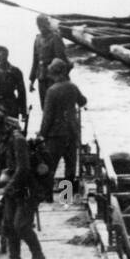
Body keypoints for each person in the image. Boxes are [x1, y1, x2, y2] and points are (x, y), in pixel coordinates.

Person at [0, 108, 44, 259]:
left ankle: (37, 255)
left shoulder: (18, 141)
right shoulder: (2, 140)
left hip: (27, 188)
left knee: (21, 225)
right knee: (9, 225)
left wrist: (7, 187)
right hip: (13, 187)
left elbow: (23, 168)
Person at [38, 59, 87, 192]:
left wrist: (41, 134)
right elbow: (83, 101)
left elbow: (47, 116)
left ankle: (47, 195)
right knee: (70, 165)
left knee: (51, 165)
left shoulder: (51, 91)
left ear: (53, 73)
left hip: (55, 134)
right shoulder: (72, 86)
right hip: (72, 131)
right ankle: (67, 196)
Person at [29, 15, 68, 108]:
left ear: (47, 25)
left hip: (53, 78)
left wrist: (63, 79)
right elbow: (35, 61)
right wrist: (32, 80)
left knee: (56, 105)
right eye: (39, 25)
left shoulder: (55, 38)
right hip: (41, 78)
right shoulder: (37, 39)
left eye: (43, 24)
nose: (41, 27)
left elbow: (61, 59)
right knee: (45, 105)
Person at [0, 45, 27, 122]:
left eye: (1, 54)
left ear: (6, 55)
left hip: (10, 105)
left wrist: (23, 112)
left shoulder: (15, 71)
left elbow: (22, 92)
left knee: (11, 127)